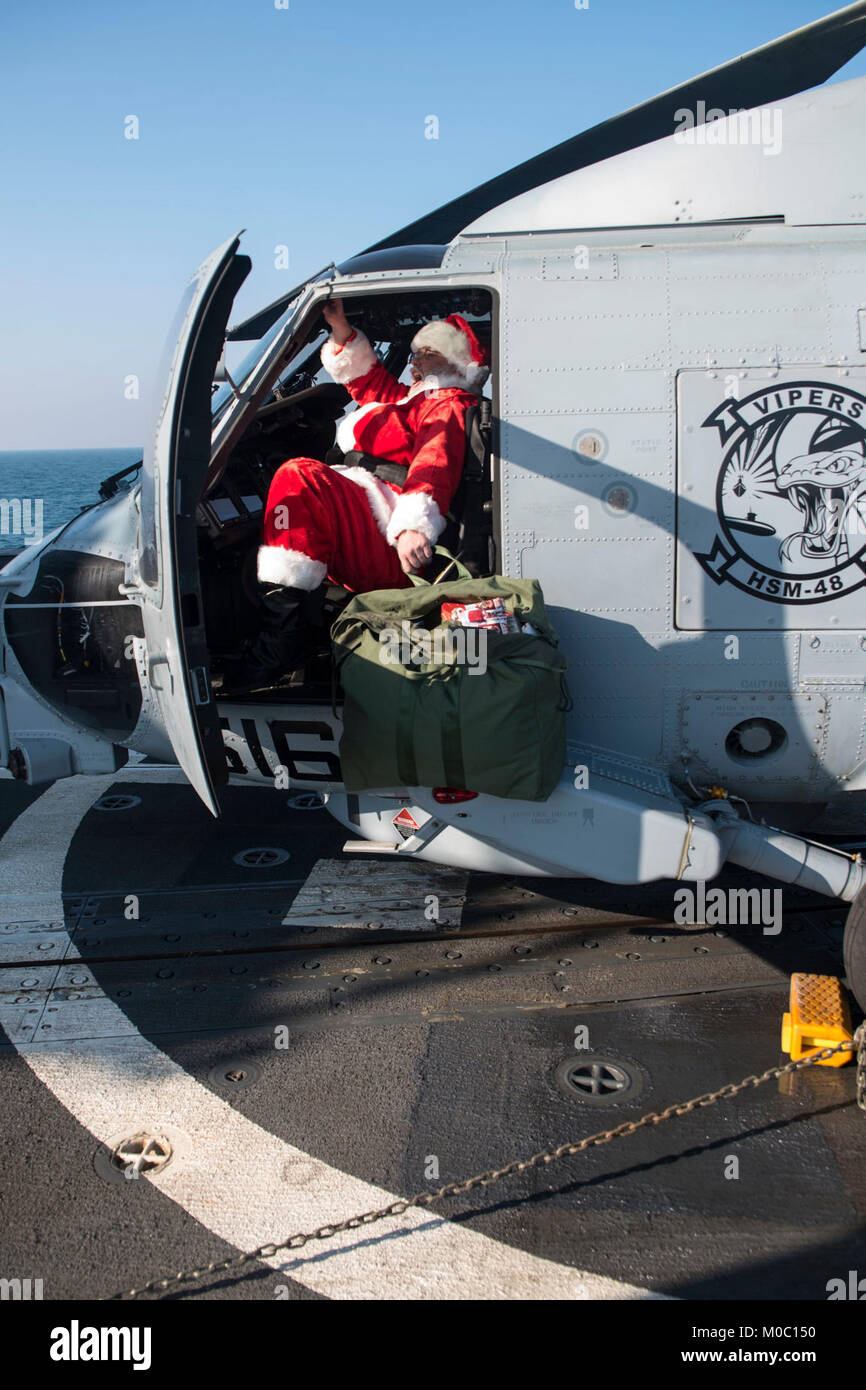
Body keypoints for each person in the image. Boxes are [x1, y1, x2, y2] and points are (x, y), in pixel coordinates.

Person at [225, 300, 489, 690]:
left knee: (300, 478)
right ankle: (295, 624)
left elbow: (434, 462)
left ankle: (282, 639)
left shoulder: (446, 404)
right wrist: (341, 331)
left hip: (390, 542)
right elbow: (372, 385)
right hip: (377, 523)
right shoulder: (414, 399)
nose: (415, 360)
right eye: (414, 353)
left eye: (427, 354)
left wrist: (413, 529)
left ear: (455, 362)